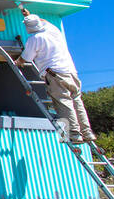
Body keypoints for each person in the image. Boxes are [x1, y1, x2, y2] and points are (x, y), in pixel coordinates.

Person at [18, 9, 96, 143]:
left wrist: (18, 62)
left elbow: (26, 58)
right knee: (77, 101)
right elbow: (45, 21)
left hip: (55, 74)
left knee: (63, 102)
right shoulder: (52, 30)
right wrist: (29, 15)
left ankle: (74, 134)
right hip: (71, 73)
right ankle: (87, 133)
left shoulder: (35, 39)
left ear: (28, 27)